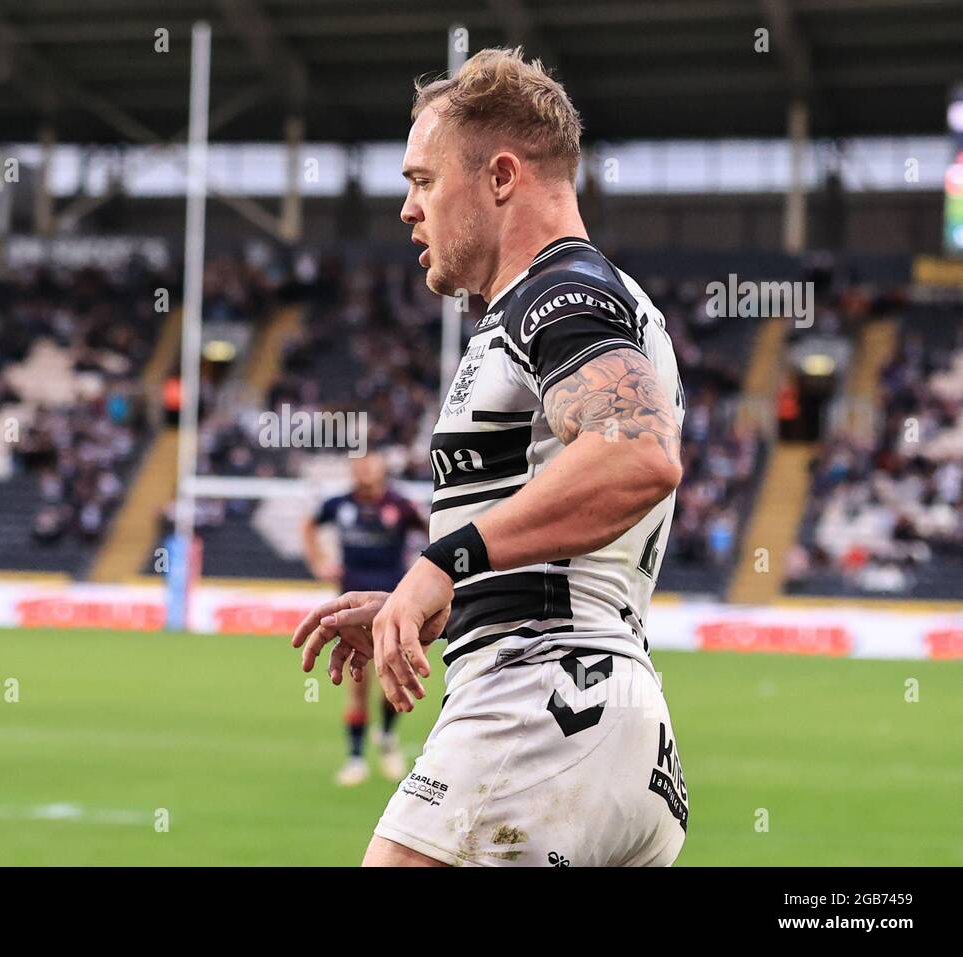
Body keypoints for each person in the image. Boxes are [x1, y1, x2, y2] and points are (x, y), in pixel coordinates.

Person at [293, 48, 690, 867]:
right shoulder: (588, 301)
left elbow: (635, 454)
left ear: (501, 177)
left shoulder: (560, 294)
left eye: (423, 181)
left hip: (541, 707)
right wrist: (451, 593)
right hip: (604, 720)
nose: (408, 209)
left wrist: (444, 561)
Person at [302, 453, 428, 786]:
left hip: (392, 607)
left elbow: (433, 531)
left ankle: (386, 738)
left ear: (382, 470)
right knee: (358, 684)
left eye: (371, 465)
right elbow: (309, 525)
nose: (365, 471)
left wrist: (427, 574)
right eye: (359, 466)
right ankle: (355, 758)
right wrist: (319, 561)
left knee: (393, 679)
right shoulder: (339, 504)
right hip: (351, 609)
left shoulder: (400, 505)